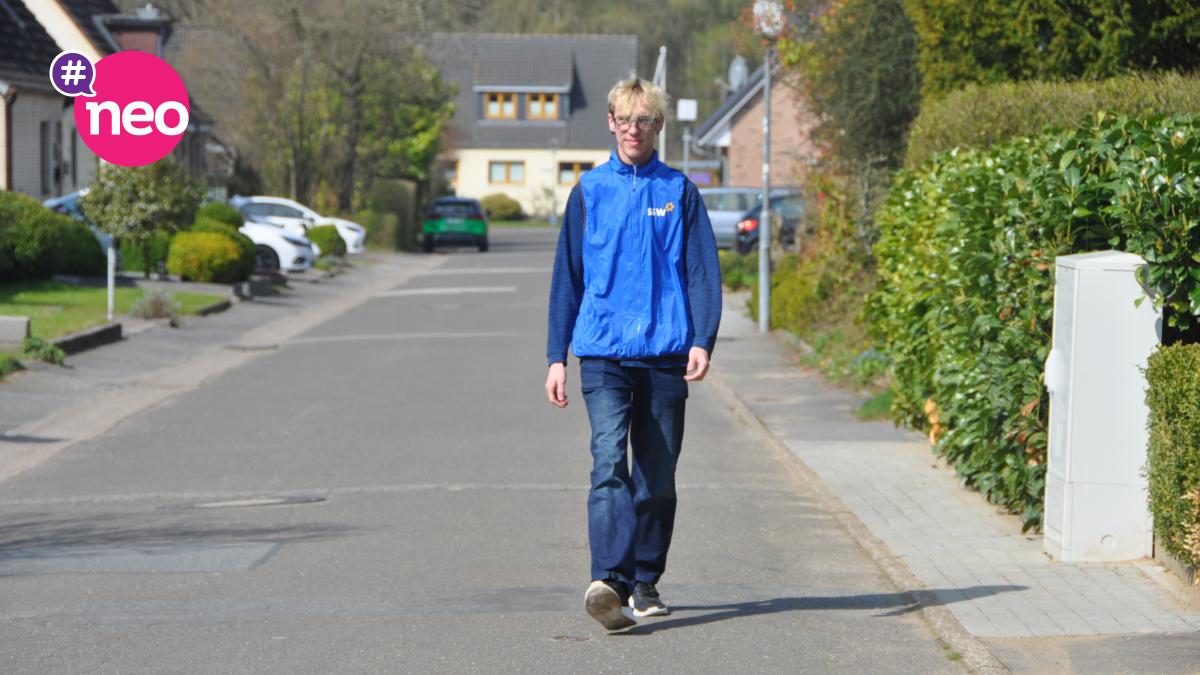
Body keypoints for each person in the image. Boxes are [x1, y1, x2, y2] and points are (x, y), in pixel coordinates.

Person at [544, 74, 722, 631]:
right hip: (602, 354)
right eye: (624, 119)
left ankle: (645, 579)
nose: (633, 129)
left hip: (666, 354)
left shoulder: (678, 191)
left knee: (657, 478)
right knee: (607, 466)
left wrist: (702, 338)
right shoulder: (590, 192)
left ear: (658, 126)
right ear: (611, 123)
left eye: (643, 120)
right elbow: (567, 277)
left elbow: (700, 270)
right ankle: (610, 581)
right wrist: (557, 354)